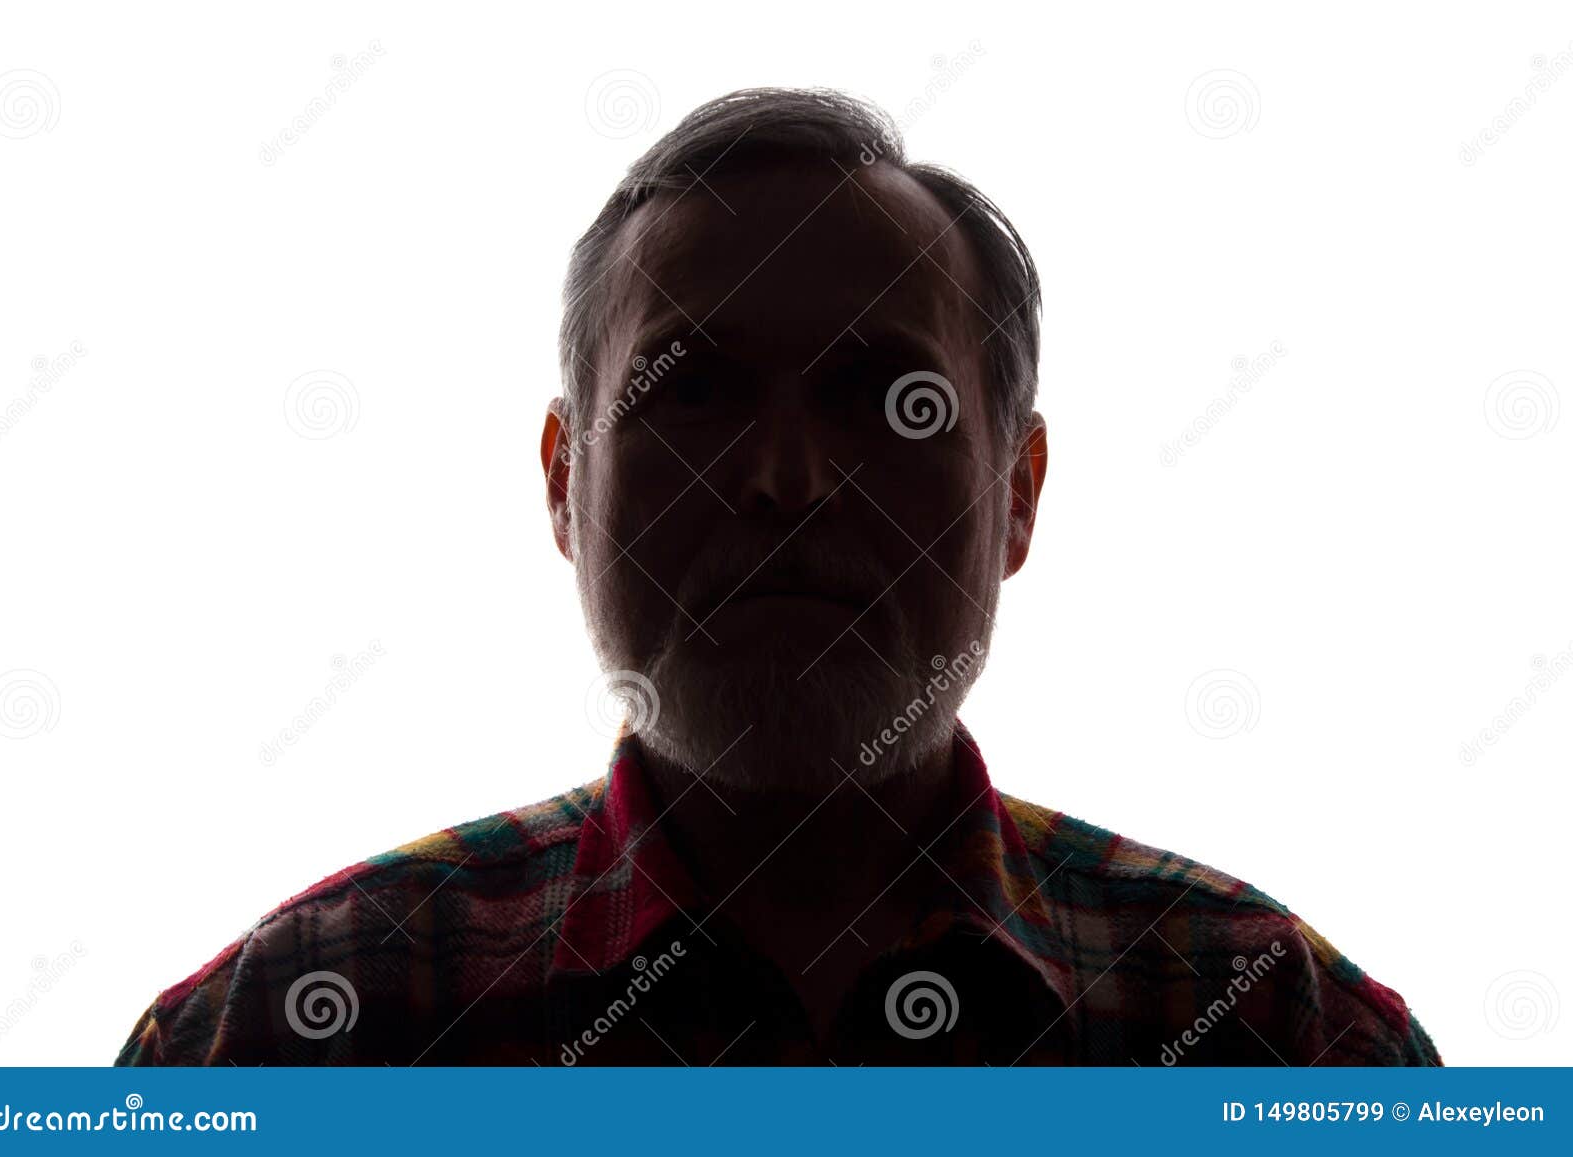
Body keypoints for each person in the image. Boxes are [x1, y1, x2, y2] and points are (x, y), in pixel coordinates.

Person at [116, 88, 1438, 1066]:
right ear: (564, 482)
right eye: (691, 393)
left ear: (1017, 491)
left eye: (893, 399)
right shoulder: (290, 1037)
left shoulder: (1279, 1037)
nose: (787, 477)